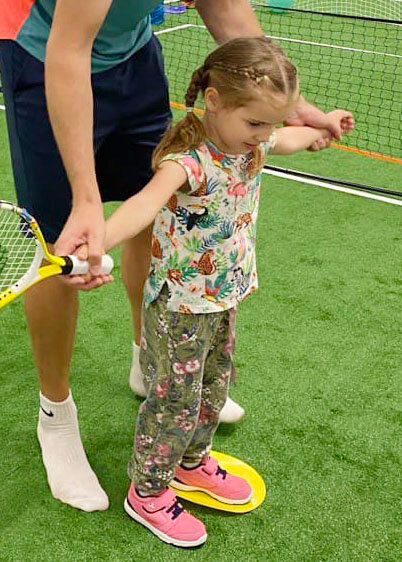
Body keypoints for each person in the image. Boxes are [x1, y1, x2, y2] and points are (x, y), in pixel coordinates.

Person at [0, 0, 364, 511]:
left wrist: (296, 109)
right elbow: (68, 47)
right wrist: (87, 201)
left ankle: (147, 362)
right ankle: (55, 417)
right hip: (42, 43)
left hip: (128, 44)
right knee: (60, 244)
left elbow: (222, 3)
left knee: (159, 218)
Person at [107, 37, 352, 546]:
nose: (264, 135)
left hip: (222, 296)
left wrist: (318, 126)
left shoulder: (251, 142)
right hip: (180, 307)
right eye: (256, 123)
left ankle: (192, 462)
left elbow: (286, 140)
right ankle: (147, 491)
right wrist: (96, 241)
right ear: (215, 101)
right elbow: (140, 206)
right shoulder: (188, 162)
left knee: (214, 387)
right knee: (173, 399)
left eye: (270, 123)